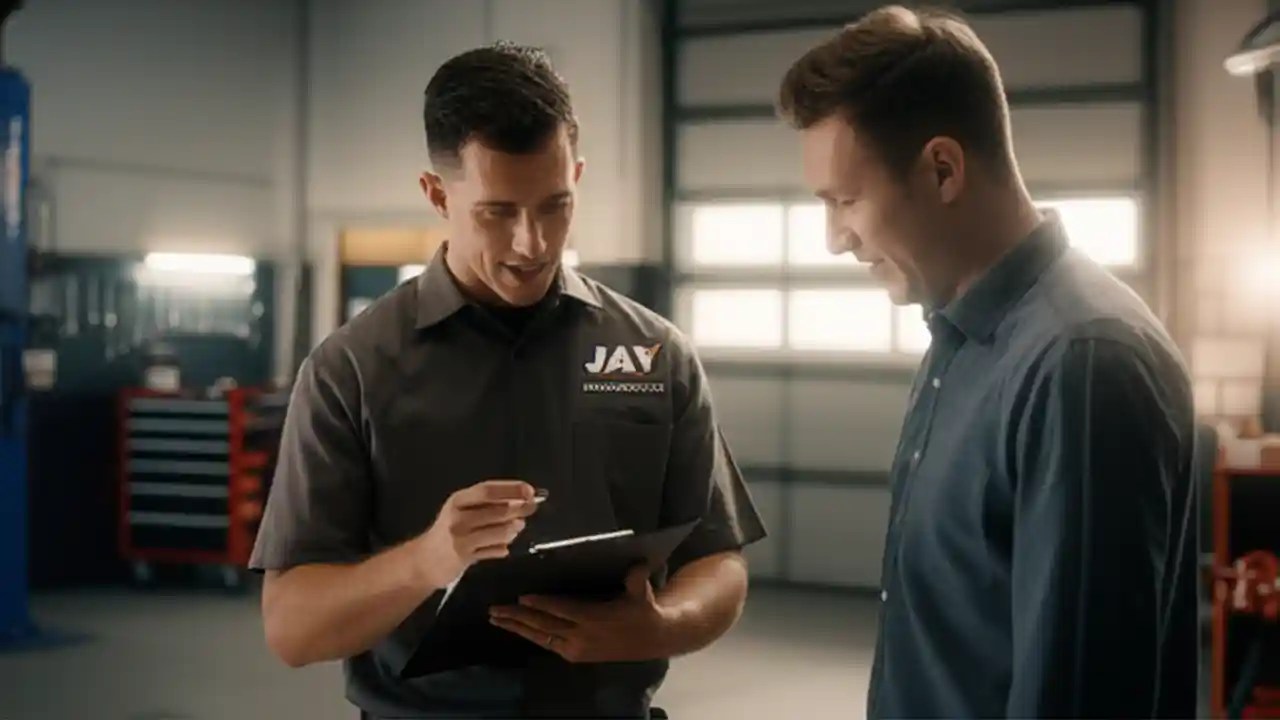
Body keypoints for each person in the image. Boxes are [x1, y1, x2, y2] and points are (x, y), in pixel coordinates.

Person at [250, 42, 766, 719]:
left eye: (556, 205)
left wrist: (661, 624)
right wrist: (427, 562)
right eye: (497, 212)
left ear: (578, 176)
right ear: (437, 194)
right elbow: (292, 629)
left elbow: (717, 563)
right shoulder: (349, 369)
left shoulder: (654, 354)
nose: (533, 243)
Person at [777, 6, 1196, 719]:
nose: (833, 239)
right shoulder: (959, 338)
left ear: (943, 169)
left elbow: (1079, 695)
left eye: (846, 200)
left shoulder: (1081, 362)